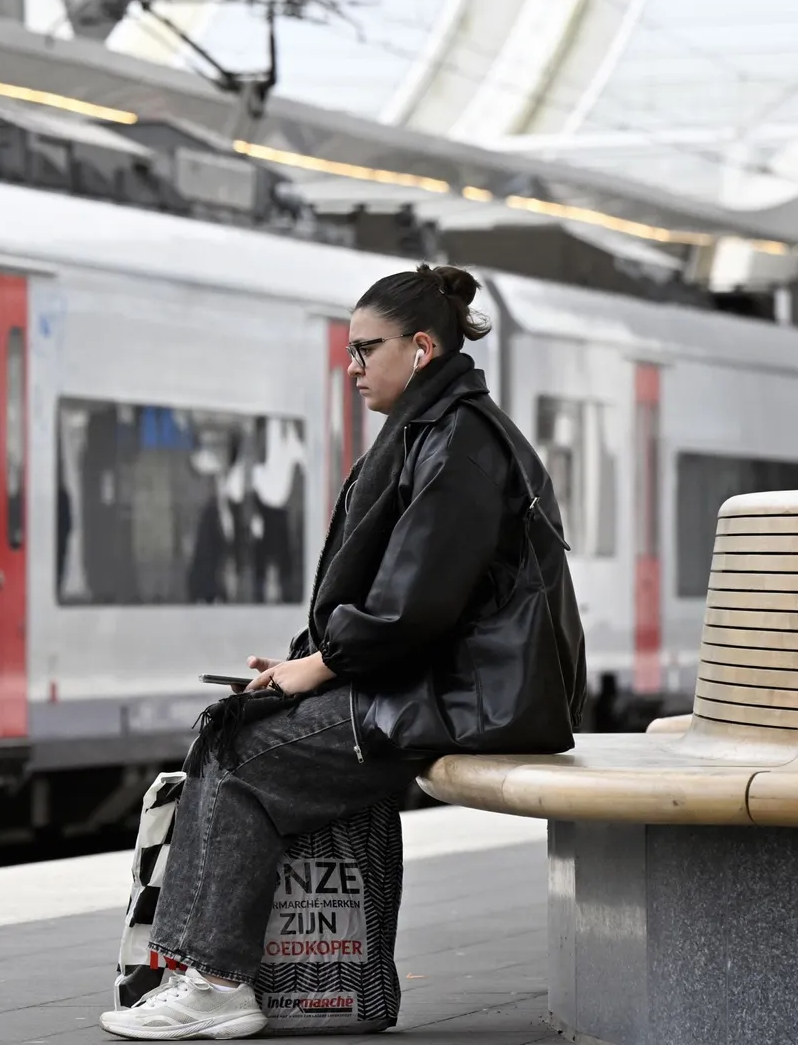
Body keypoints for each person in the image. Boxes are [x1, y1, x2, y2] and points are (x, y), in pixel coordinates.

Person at [100, 264, 586, 1041]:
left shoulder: (458, 444)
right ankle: (206, 976)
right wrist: (303, 667)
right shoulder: (438, 428)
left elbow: (414, 605)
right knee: (241, 728)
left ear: (422, 347)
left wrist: (319, 666)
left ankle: (217, 984)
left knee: (241, 755)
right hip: (444, 684)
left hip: (466, 700)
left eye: (366, 349)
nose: (351, 367)